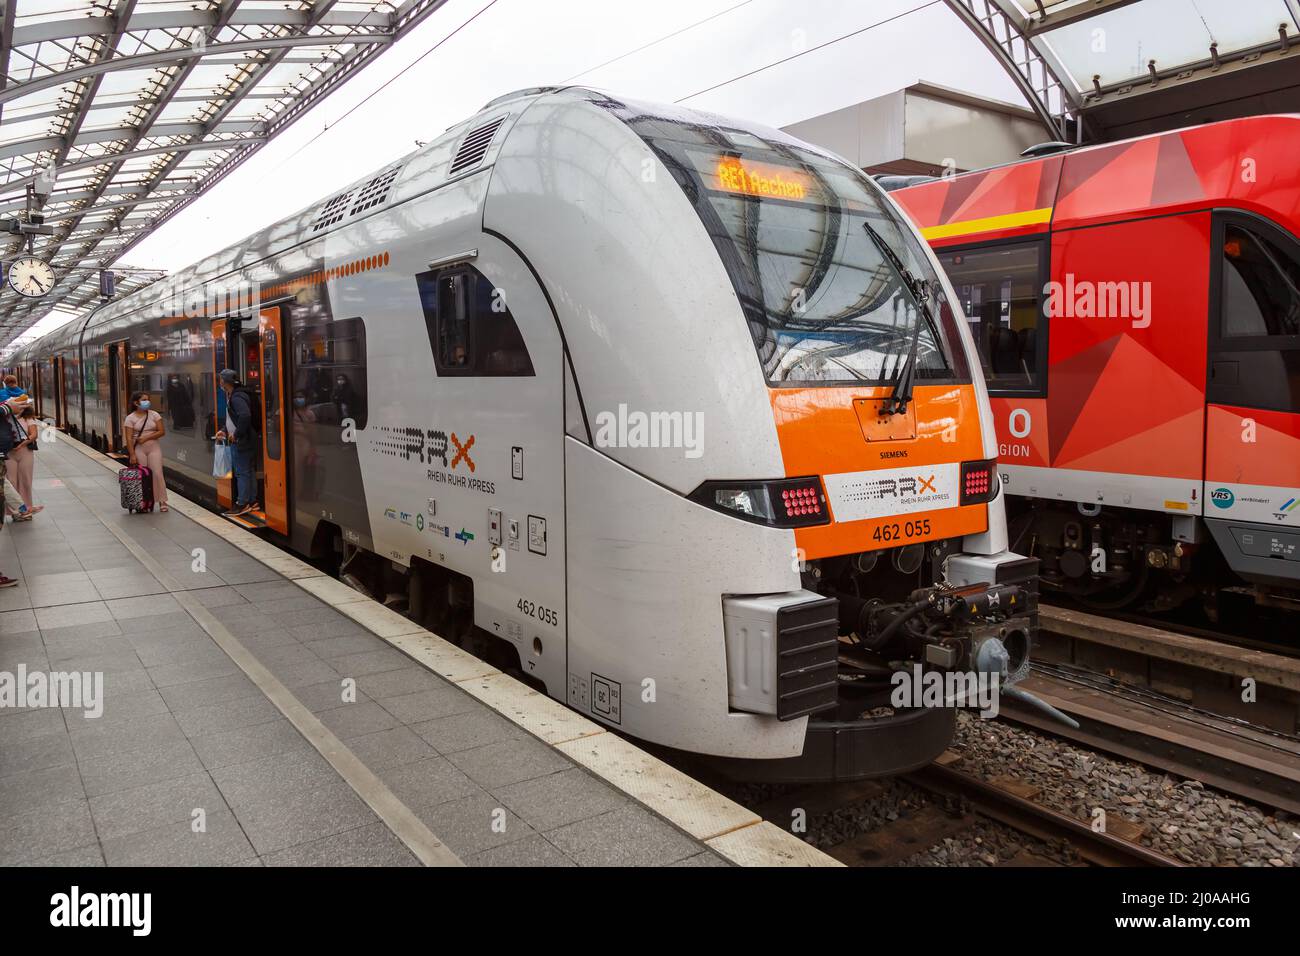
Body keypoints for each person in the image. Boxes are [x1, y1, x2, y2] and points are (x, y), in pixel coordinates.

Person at [215, 369, 258, 516]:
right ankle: (252, 501)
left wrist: (236, 434)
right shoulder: (234, 394)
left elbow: (244, 415)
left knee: (241, 472)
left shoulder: (236, 397)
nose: (219, 382)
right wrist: (224, 430)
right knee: (248, 470)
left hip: (242, 440)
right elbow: (233, 418)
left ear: (224, 381)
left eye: (220, 379)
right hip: (247, 438)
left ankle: (242, 503)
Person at [124, 391, 169, 513]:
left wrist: (147, 438)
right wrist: (132, 454)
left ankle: (162, 501)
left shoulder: (154, 415)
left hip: (154, 447)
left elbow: (161, 431)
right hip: (139, 449)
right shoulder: (130, 418)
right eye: (144, 400)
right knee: (142, 476)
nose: (147, 402)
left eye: (147, 399)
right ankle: (143, 503)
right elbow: (128, 438)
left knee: (157, 473)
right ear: (136, 402)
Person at [6, 405, 43, 520]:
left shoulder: (28, 418)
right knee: (11, 481)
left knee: (25, 480)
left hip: (25, 452)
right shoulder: (5, 418)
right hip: (9, 453)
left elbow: (34, 434)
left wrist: (23, 444)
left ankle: (27, 508)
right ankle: (15, 512)